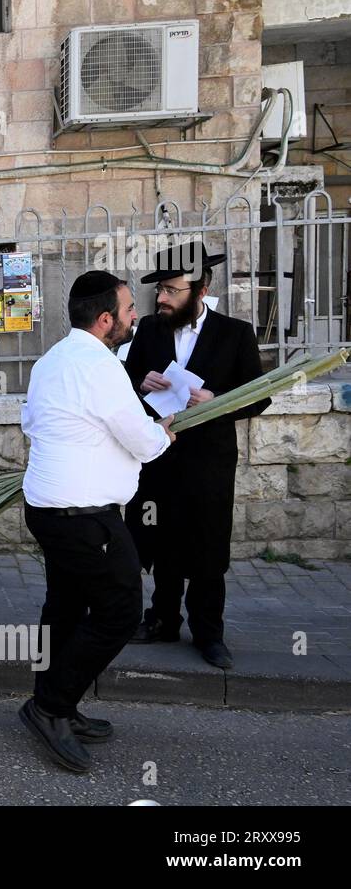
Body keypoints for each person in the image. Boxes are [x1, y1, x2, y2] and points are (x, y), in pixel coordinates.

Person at [18, 270, 176, 773]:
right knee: (120, 611)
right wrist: (164, 433)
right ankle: (50, 707)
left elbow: (34, 423)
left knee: (64, 606)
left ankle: (56, 701)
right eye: (129, 310)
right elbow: (143, 440)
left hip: (48, 510)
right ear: (106, 319)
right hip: (85, 517)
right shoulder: (101, 368)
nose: (135, 318)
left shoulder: (51, 361)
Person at [124, 242, 270, 670]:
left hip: (209, 462)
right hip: (158, 457)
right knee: (160, 540)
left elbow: (258, 398)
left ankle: (209, 633)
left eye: (172, 290)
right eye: (160, 290)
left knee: (207, 547)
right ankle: (162, 620)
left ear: (201, 288)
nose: (162, 298)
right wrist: (140, 383)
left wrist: (216, 400)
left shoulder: (235, 333)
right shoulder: (150, 329)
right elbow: (127, 380)